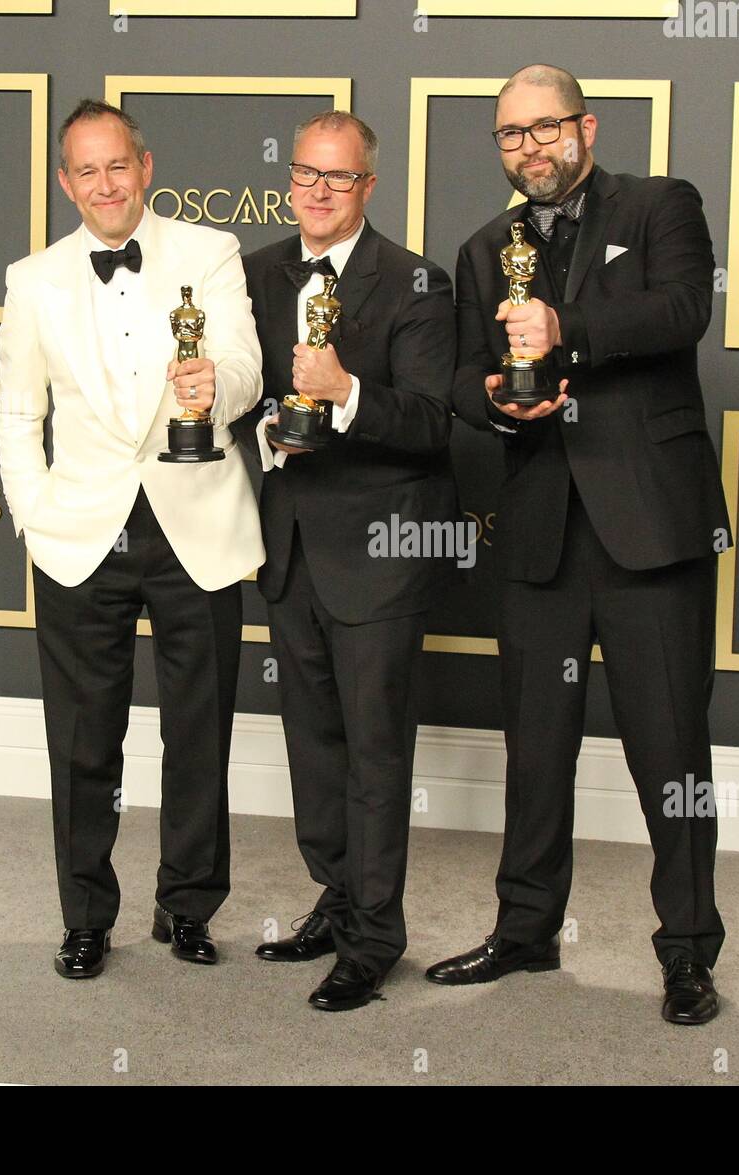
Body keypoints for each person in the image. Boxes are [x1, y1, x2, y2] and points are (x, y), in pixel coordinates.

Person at [427, 65, 732, 1025]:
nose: (530, 149)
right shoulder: (485, 249)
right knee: (535, 749)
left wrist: (569, 332)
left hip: (650, 529)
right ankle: (525, 932)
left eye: (544, 128)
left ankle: (687, 952)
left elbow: (685, 310)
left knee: (671, 756)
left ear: (585, 126)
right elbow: (472, 375)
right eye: (510, 136)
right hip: (540, 534)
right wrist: (497, 400)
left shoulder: (660, 205)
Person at [0, 98, 264, 979]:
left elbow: (249, 371)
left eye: (119, 165)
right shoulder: (32, 278)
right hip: (79, 532)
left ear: (145, 168)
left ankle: (187, 907)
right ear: (65, 181)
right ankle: (84, 915)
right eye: (86, 170)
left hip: (197, 522)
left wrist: (211, 387)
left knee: (198, 731)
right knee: (82, 740)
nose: (105, 184)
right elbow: (18, 411)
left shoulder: (210, 251)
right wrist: (34, 511)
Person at [233, 110, 459, 1012]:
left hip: (381, 550)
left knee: (373, 749)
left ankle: (376, 935)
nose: (318, 192)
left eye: (338, 178)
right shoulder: (254, 273)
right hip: (290, 542)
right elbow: (241, 390)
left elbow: (434, 423)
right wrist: (259, 426)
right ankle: (337, 894)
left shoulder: (416, 282)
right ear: (290, 179)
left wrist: (347, 393)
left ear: (368, 187)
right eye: (305, 176)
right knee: (314, 744)